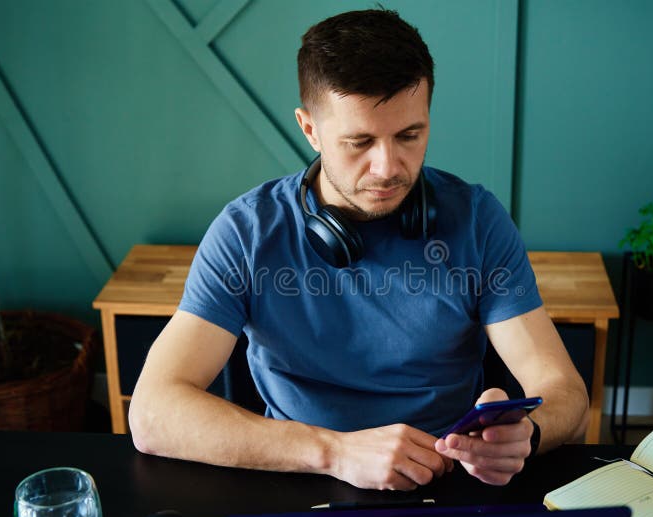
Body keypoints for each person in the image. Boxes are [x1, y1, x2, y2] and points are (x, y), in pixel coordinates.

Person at [129, 8, 588, 491]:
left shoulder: (478, 220)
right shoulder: (246, 232)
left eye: (409, 135)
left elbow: (564, 392)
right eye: (359, 141)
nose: (388, 167)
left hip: (447, 482)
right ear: (310, 129)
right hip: (299, 478)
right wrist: (334, 452)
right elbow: (153, 412)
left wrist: (527, 436)